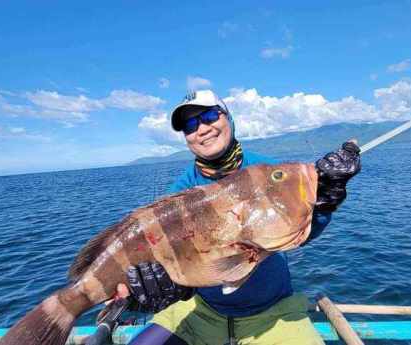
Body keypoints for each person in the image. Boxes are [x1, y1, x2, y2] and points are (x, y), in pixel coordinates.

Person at [115, 90, 360, 345]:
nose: (202, 128)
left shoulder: (268, 170)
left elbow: (301, 230)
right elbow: (175, 261)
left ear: (228, 118)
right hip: (201, 309)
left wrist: (325, 202)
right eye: (190, 125)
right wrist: (164, 289)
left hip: (273, 313)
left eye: (209, 115)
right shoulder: (179, 193)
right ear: (186, 138)